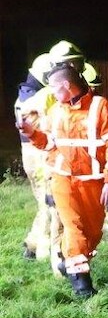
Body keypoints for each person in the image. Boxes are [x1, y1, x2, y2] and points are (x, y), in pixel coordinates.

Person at [19, 63, 108, 298]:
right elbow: (48, 143)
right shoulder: (56, 111)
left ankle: (70, 264)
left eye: (54, 88)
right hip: (63, 179)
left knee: (92, 233)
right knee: (73, 229)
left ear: (66, 86)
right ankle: (83, 288)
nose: (51, 94)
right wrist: (30, 133)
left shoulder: (102, 108)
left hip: (94, 181)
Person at [12, 52, 55, 260]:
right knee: (48, 203)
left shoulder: (25, 95)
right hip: (39, 156)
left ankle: (33, 245)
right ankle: (37, 250)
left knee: (44, 202)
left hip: (30, 154)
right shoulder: (38, 99)